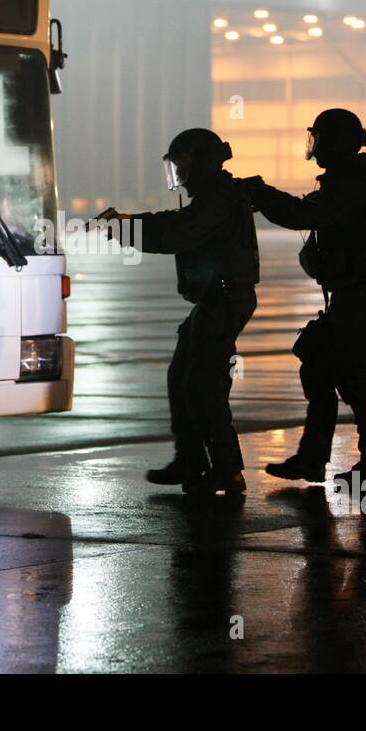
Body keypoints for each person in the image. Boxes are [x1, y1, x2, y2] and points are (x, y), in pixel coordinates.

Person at [99, 128, 259, 496]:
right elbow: (173, 221)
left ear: (199, 164)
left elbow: (180, 234)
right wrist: (130, 223)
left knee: (204, 386)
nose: (179, 174)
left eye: (183, 165)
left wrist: (129, 232)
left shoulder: (218, 198)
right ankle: (191, 460)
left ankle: (227, 470)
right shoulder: (212, 196)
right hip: (215, 300)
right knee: (182, 378)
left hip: (224, 300)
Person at [245, 108, 366, 482]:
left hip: (359, 294)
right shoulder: (353, 179)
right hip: (350, 292)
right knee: (318, 368)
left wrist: (260, 194)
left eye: (318, 138)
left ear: (332, 142)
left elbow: (302, 214)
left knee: (351, 378)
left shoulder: (352, 183)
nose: (313, 146)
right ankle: (314, 458)